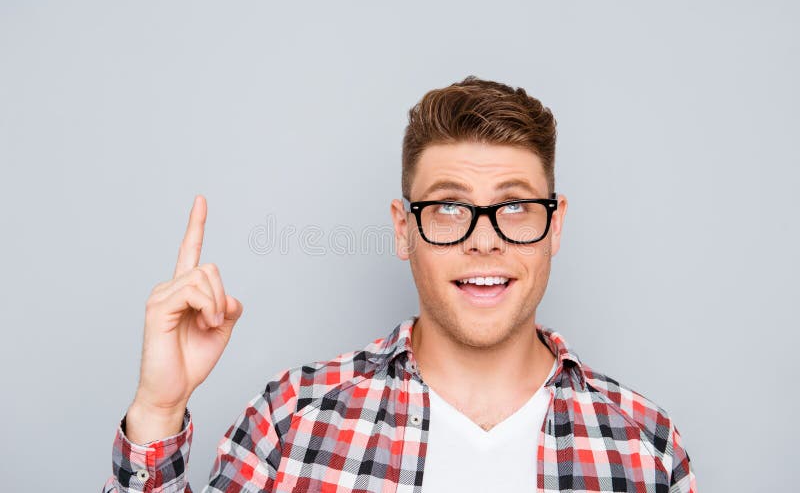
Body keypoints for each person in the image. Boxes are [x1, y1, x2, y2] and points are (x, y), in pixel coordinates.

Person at [103, 77, 696, 493]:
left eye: (515, 206)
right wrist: (158, 410)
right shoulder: (291, 420)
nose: (483, 241)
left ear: (555, 223)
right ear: (402, 229)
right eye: (448, 207)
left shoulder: (644, 447)